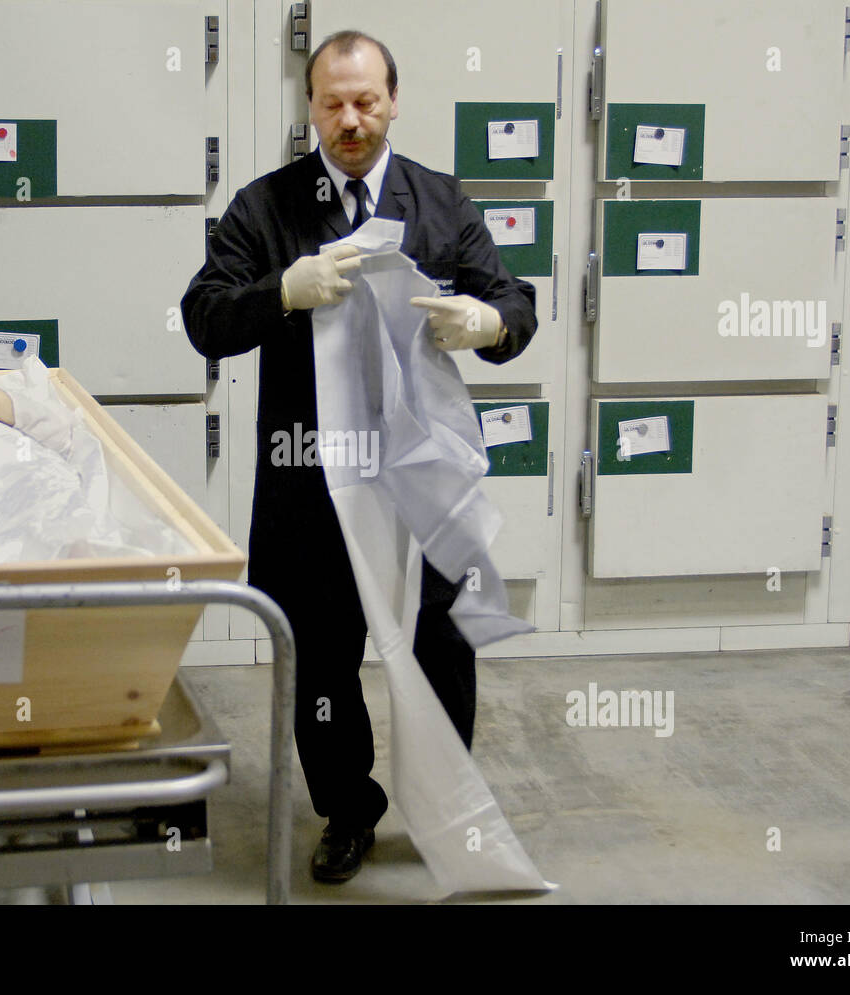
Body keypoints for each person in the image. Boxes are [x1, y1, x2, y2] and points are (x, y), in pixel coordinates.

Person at [181, 30, 537, 882]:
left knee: (443, 639)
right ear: (310, 107)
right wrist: (282, 291)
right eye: (332, 102)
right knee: (321, 652)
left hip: (424, 476)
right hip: (312, 477)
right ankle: (347, 810)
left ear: (393, 100)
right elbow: (204, 315)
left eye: (365, 100)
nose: (350, 118)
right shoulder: (268, 207)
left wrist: (487, 324)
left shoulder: (441, 200)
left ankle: (447, 805)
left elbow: (513, 301)